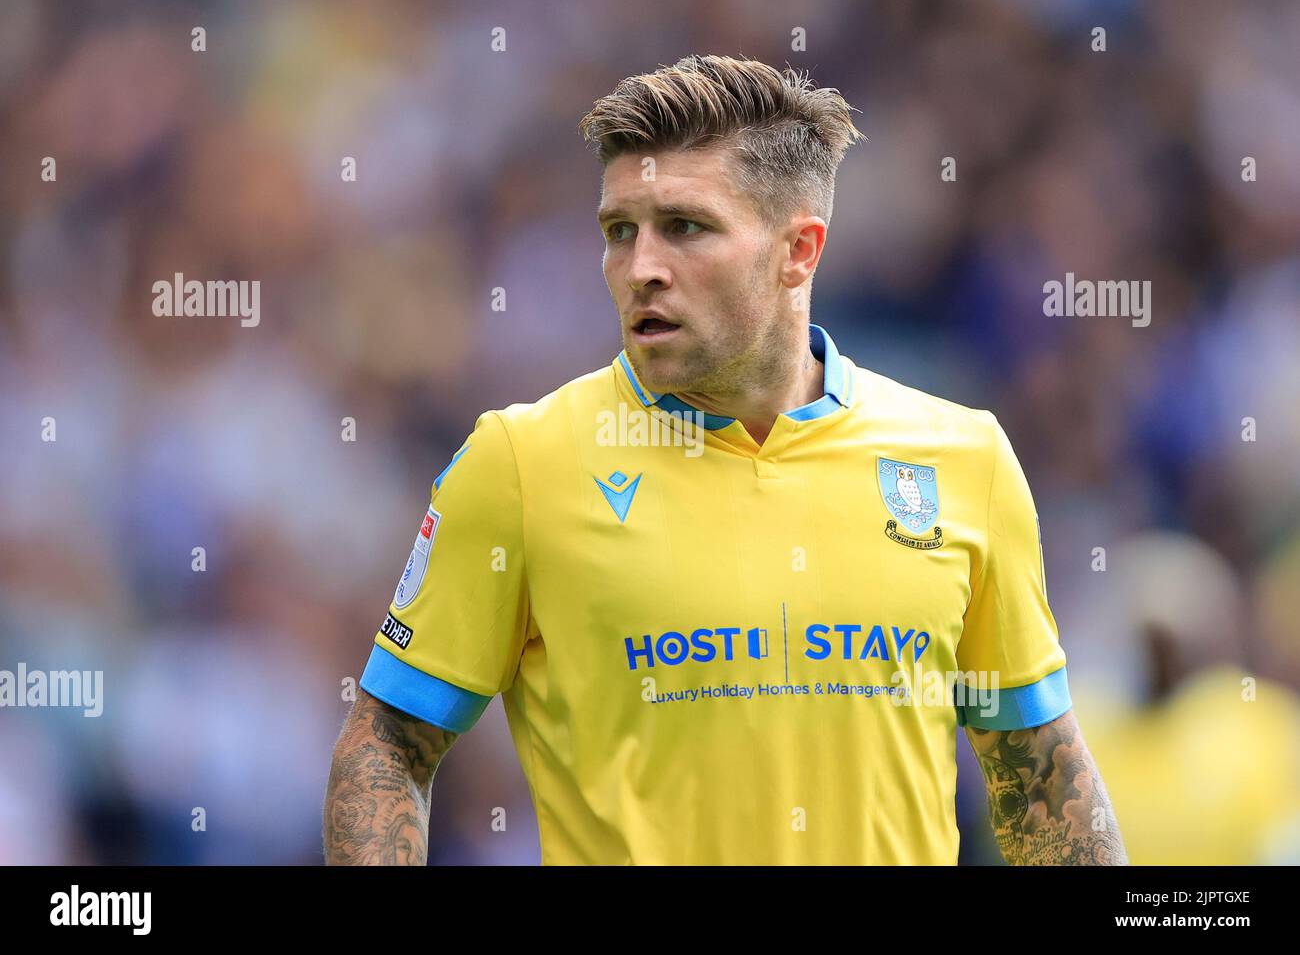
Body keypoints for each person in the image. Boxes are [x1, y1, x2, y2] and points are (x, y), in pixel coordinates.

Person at [323, 54, 1127, 865]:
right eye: (618, 232)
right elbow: (390, 738)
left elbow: (1036, 770)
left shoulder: (965, 460)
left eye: (685, 227)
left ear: (798, 252)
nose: (641, 268)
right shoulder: (520, 463)